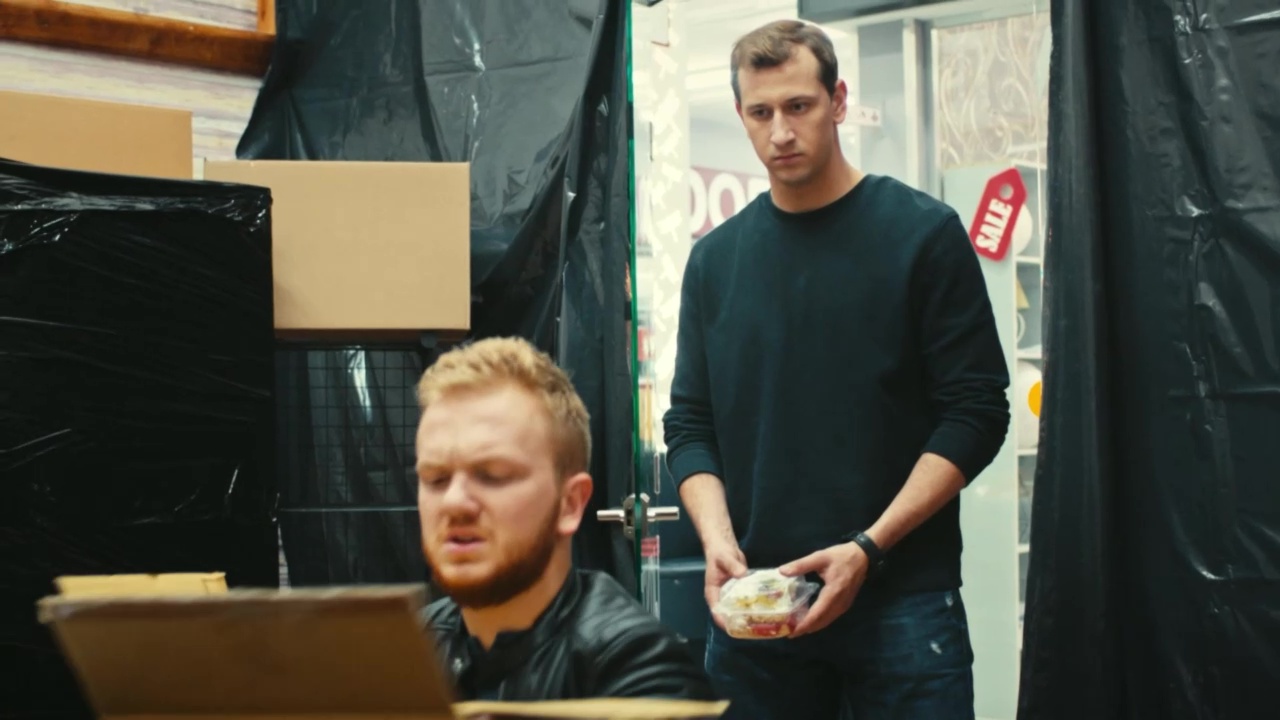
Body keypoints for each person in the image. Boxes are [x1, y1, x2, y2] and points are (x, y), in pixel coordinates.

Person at [662, 19, 1011, 720]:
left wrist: (868, 548)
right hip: (760, 602)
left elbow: (977, 412)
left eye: (799, 106)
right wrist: (718, 543)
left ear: (839, 101)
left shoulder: (923, 234)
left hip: (902, 599)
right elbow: (690, 424)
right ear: (740, 115)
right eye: (761, 113)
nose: (780, 132)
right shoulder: (715, 261)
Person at [415, 337, 716, 702]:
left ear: (570, 504)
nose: (454, 502)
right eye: (435, 479)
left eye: (493, 475)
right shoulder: (410, 646)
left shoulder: (643, 671)